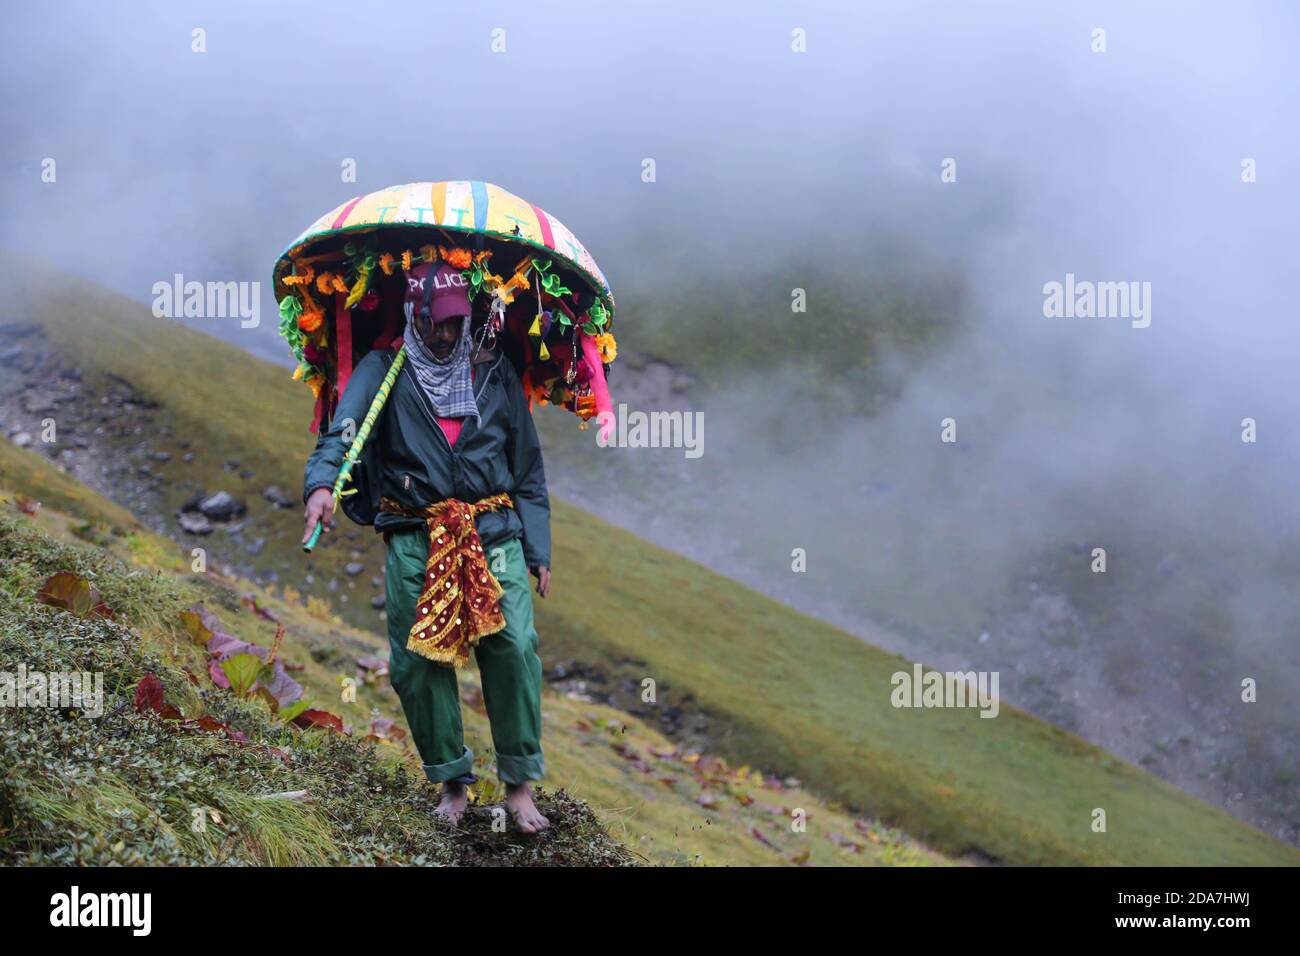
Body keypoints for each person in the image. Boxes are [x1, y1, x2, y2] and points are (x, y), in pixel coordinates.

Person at [302, 260, 552, 833]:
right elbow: (342, 431)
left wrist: (537, 547)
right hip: (415, 532)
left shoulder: (495, 373)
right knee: (416, 662)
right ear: (415, 314)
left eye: (455, 323)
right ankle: (452, 781)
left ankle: (518, 786)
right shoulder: (383, 370)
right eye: (435, 324)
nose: (445, 335)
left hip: (493, 532)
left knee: (513, 645)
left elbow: (529, 469)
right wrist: (321, 485)